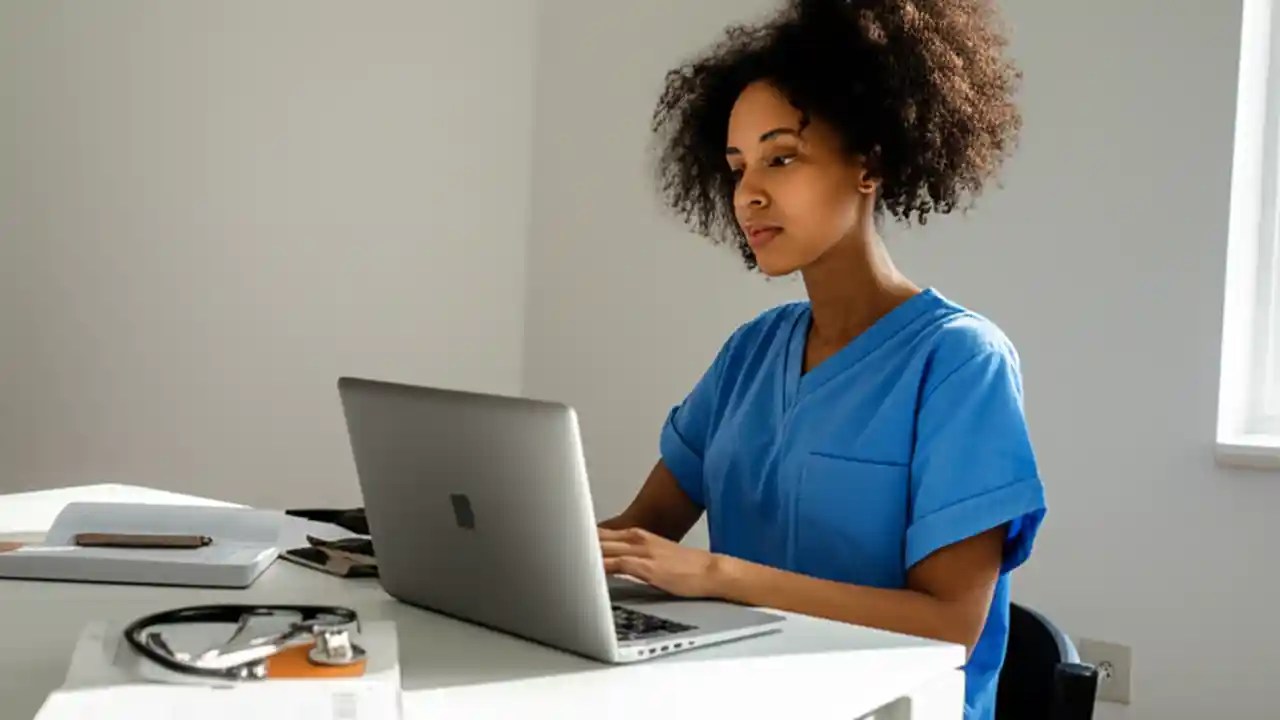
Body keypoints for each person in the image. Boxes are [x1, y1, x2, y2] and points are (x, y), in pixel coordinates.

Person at [597, 1, 1047, 718]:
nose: (749, 193)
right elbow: (642, 533)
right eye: (739, 166)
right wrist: (528, 553)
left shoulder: (960, 363)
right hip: (738, 697)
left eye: (782, 157)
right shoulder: (751, 352)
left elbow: (950, 625)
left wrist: (718, 574)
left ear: (868, 162)